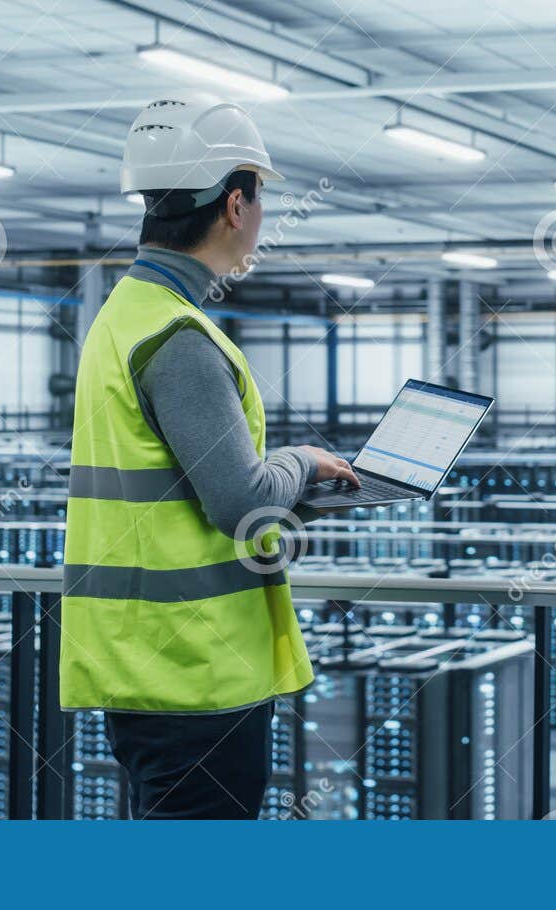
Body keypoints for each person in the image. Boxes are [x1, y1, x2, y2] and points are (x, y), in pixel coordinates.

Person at [59, 93, 358, 819]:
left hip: (152, 657)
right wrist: (303, 462)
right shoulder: (179, 338)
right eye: (259, 200)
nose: (259, 219)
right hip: (194, 666)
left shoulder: (126, 314)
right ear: (234, 204)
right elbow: (235, 500)